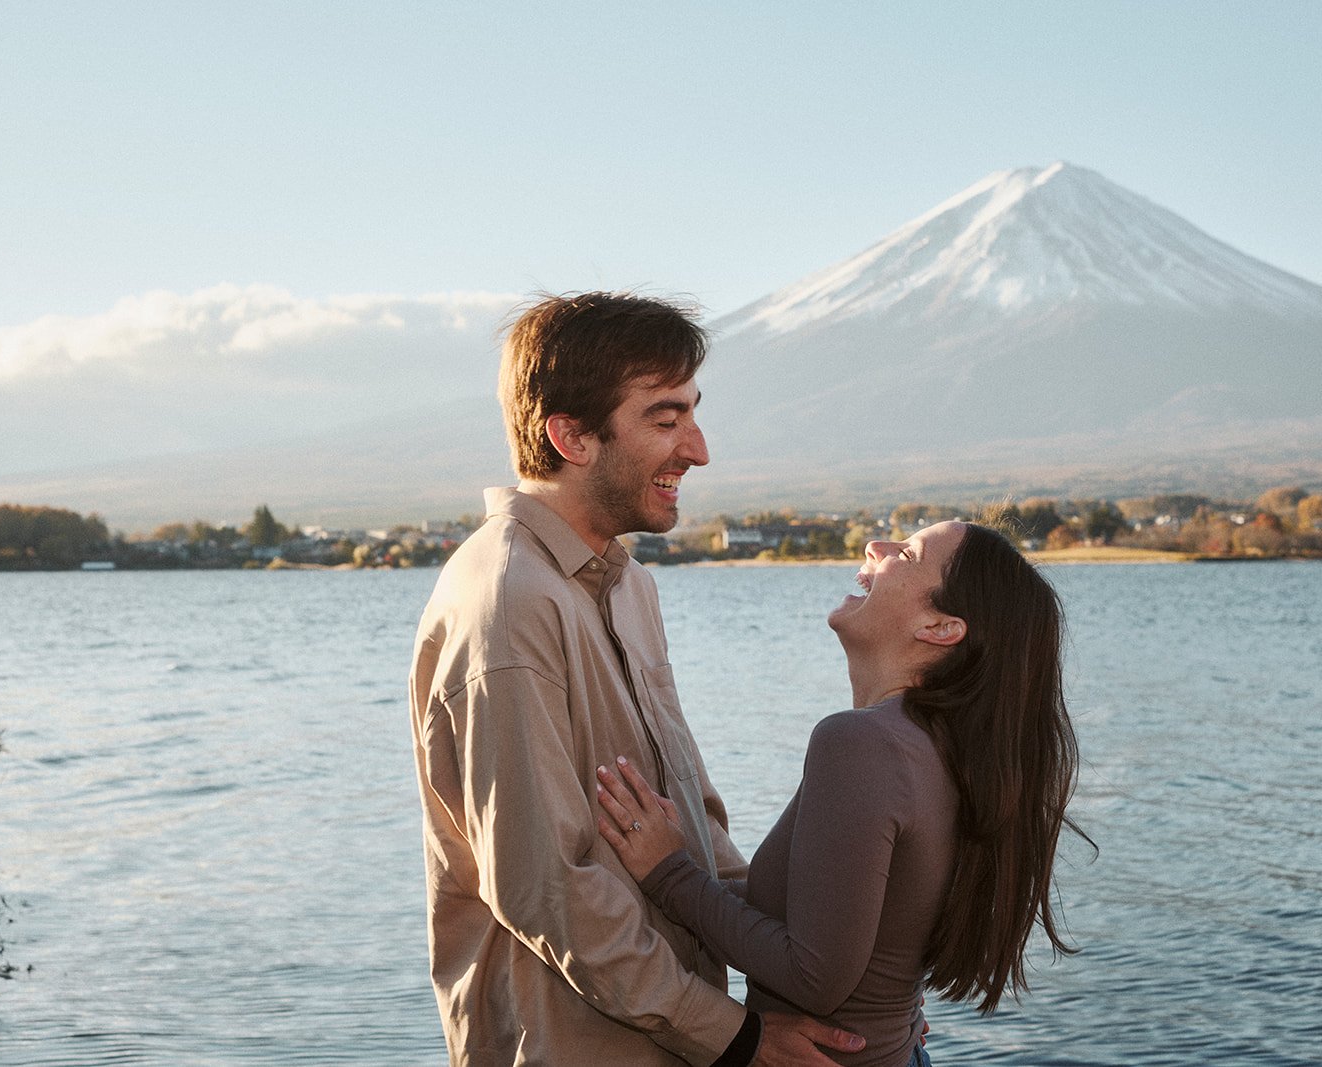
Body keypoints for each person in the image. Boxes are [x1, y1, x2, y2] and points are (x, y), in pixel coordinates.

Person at [409, 291, 866, 1065]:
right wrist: (737, 1036)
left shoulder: (627, 586)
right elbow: (547, 888)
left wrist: (851, 994)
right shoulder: (508, 603)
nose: (698, 448)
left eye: (692, 413)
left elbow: (695, 820)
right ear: (571, 435)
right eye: (665, 418)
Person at [596, 520, 1085, 1066]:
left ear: (942, 626)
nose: (876, 546)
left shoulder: (862, 743)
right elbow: (854, 941)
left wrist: (670, 874)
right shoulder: (946, 753)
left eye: (908, 553)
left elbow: (814, 978)